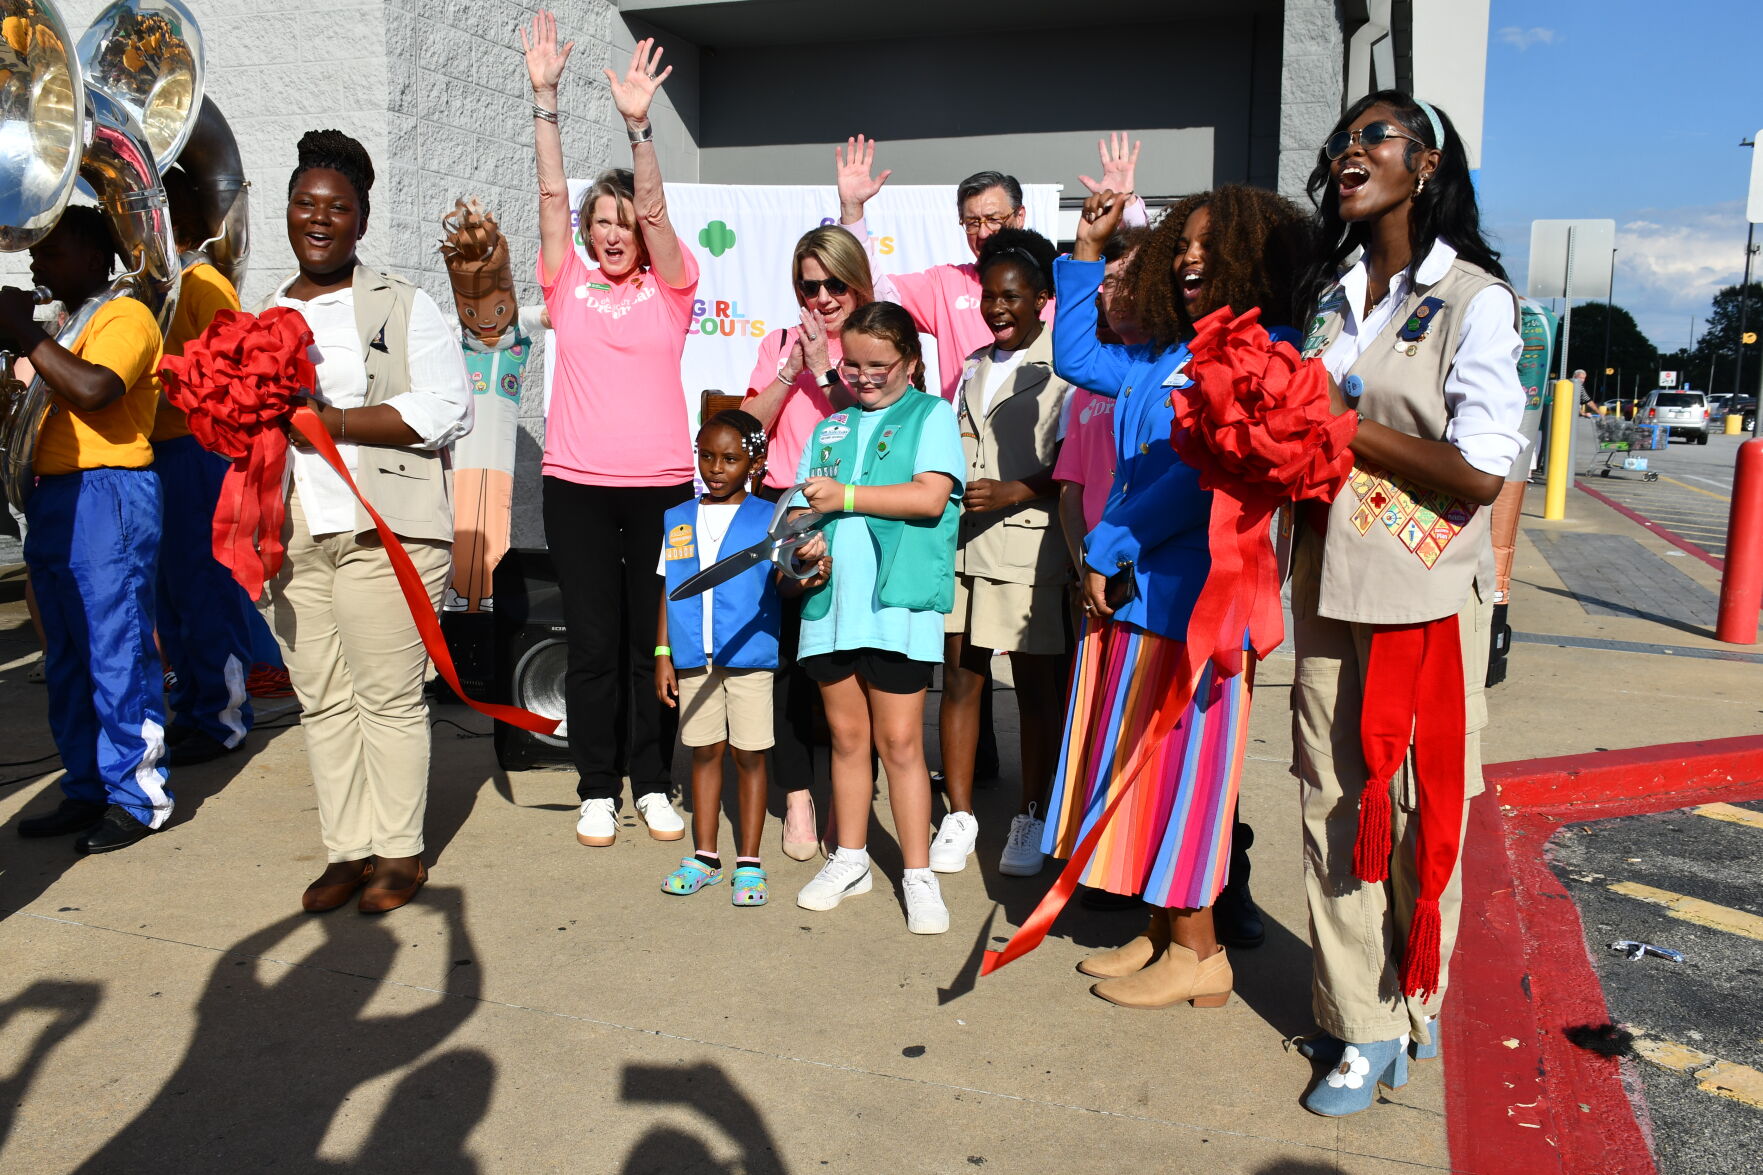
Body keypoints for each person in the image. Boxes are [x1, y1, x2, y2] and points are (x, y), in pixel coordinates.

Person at [1289, 92, 1524, 1116]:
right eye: (1342, 139)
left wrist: (1340, 428)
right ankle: (1358, 1023)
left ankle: (1408, 995)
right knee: (1330, 803)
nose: (1349, 151)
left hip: (1425, 593)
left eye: (1372, 136)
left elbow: (1478, 468)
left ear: (1423, 165)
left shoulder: (1472, 298)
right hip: (1327, 583)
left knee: (1416, 808)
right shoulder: (1329, 293)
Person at [1043, 183, 1311, 1009]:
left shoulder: (1265, 350)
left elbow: (1206, 476)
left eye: (1211, 244)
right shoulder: (1171, 349)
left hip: (1195, 604)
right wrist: (1086, 252)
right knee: (1141, 768)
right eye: (1182, 242)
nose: (1192, 256)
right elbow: (1076, 360)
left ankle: (1200, 952)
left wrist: (1110, 541)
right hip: (1138, 596)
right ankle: (1162, 933)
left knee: (1184, 775)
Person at [260, 129, 473, 914]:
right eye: (305, 205)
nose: (318, 219)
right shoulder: (269, 313)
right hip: (297, 532)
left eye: (336, 208)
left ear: (361, 218)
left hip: (385, 528)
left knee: (385, 696)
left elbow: (447, 409)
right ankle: (346, 849)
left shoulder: (402, 303)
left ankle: (398, 852)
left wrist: (334, 420)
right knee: (321, 697)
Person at [525, 12, 697, 847]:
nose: (615, 232)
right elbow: (551, 197)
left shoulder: (670, 288)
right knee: (592, 645)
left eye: (624, 222)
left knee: (649, 646)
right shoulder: (567, 286)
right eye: (604, 223)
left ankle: (653, 780)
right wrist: (545, 100)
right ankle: (597, 785)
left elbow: (657, 211)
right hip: (578, 489)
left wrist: (639, 130)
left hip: (662, 488)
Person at [787, 302, 964, 934]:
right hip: (830, 610)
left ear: (911, 363)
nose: (863, 378)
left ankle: (917, 873)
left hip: (899, 606)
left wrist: (848, 498)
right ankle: (852, 857)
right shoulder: (828, 430)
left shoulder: (932, 414)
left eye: (879, 366)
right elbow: (806, 509)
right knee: (848, 741)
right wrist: (805, 542)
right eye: (852, 365)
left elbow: (930, 496)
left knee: (902, 744)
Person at [3, 207, 170, 853]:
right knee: (68, 657)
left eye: (52, 252)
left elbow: (96, 390)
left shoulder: (122, 314)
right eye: (35, 253)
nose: (36, 264)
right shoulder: (66, 322)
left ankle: (140, 797)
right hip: (55, 497)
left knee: (117, 650)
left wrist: (20, 329)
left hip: (109, 495)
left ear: (97, 259)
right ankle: (88, 787)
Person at [933, 227, 1072, 879]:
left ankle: (1033, 812)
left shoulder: (1066, 365)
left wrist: (1019, 487)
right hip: (962, 546)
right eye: (988, 296)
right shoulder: (970, 366)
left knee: (1037, 689)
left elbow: (1080, 459)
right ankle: (958, 816)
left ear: (1042, 297)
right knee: (961, 680)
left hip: (1029, 551)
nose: (996, 308)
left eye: (1010, 296)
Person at [654, 410, 830, 905]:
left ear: (755, 462)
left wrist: (807, 574)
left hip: (750, 657)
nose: (715, 468)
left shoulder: (770, 518)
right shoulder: (677, 518)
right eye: (706, 456)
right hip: (693, 659)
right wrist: (663, 653)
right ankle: (705, 857)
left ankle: (749, 863)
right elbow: (670, 588)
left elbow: (783, 584)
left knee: (749, 756)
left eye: (730, 459)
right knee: (703, 753)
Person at [833, 134, 1147, 400]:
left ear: (1020, 216)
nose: (983, 232)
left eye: (994, 219)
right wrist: (852, 212)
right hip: (972, 445)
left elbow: (1141, 278)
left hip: (1057, 440)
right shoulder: (946, 283)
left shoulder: (1063, 275)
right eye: (972, 223)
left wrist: (1127, 206)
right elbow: (875, 293)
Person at [741, 226, 870, 859]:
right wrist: (792, 370)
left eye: (832, 284)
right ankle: (797, 794)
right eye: (806, 285)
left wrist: (828, 371)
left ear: (856, 284)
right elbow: (746, 434)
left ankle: (852, 791)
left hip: (862, 517)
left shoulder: (878, 345)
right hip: (788, 516)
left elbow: (876, 434)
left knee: (849, 662)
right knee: (789, 661)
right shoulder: (778, 346)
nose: (820, 298)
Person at [149, 165, 259, 768]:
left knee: (204, 590)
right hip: (160, 453)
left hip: (197, 453)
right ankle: (194, 705)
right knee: (171, 596)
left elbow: (229, 376)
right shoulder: (160, 282)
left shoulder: (203, 282)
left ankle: (224, 716)